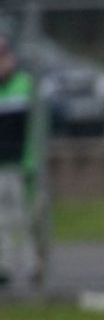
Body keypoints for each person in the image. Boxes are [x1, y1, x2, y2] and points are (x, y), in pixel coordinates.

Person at [0, 34, 45, 286]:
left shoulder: (25, 85)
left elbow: (35, 129)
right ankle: (3, 267)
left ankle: (33, 266)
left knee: (26, 218)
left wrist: (31, 161)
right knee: (1, 221)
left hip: (20, 165)